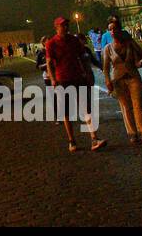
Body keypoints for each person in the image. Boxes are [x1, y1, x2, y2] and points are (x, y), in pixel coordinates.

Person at [44, 17, 107, 153]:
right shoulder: (51, 43)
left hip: (78, 77)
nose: (66, 27)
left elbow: (83, 57)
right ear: (56, 27)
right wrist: (53, 79)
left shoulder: (74, 40)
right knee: (66, 112)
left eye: (66, 25)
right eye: (62, 25)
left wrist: (88, 74)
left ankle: (94, 138)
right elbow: (49, 63)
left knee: (86, 109)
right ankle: (71, 140)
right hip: (63, 80)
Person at [102, 15, 142, 143]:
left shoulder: (130, 43)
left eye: (114, 29)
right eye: (110, 29)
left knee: (138, 105)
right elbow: (106, 67)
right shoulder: (108, 48)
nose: (112, 32)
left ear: (120, 29)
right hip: (118, 80)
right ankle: (132, 133)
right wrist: (107, 81)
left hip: (133, 77)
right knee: (125, 107)